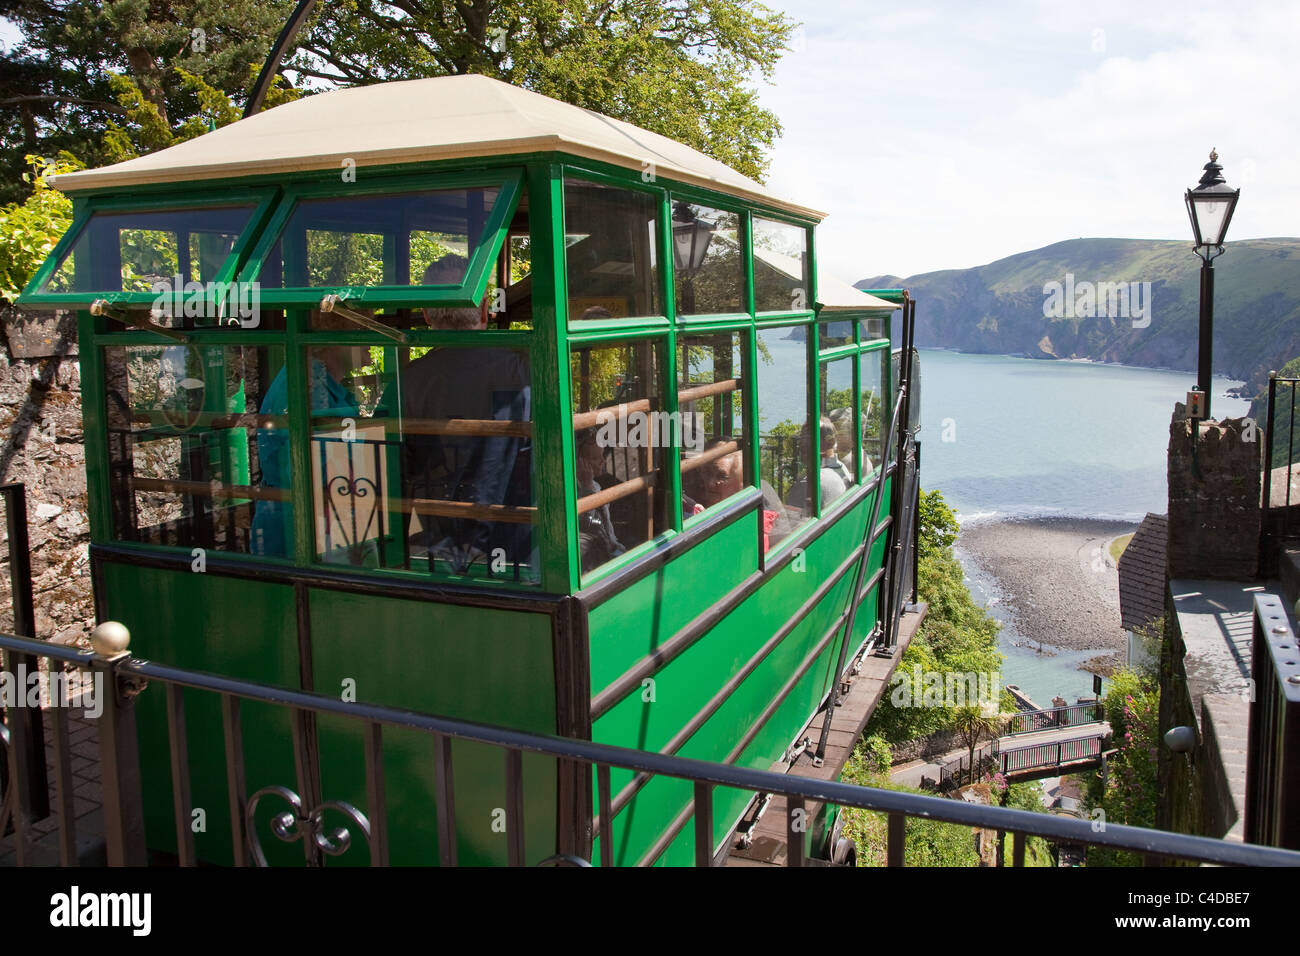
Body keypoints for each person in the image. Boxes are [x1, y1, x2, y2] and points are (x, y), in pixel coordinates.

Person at [392, 256, 532, 574]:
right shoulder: (523, 369)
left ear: (426, 315)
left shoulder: (409, 382)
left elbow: (395, 465)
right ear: (485, 309)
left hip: (439, 545)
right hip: (520, 541)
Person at [251, 315, 361, 559]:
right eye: (361, 331)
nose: (370, 340)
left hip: (319, 520)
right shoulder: (308, 383)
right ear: (335, 340)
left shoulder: (320, 380)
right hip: (303, 529)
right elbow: (303, 469)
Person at [575, 428, 625, 572]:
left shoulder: (596, 485)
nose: (603, 461)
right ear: (579, 461)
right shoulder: (577, 490)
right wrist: (587, 487)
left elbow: (607, 528)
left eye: (602, 455)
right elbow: (587, 524)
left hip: (608, 549)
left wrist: (616, 545)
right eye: (596, 458)